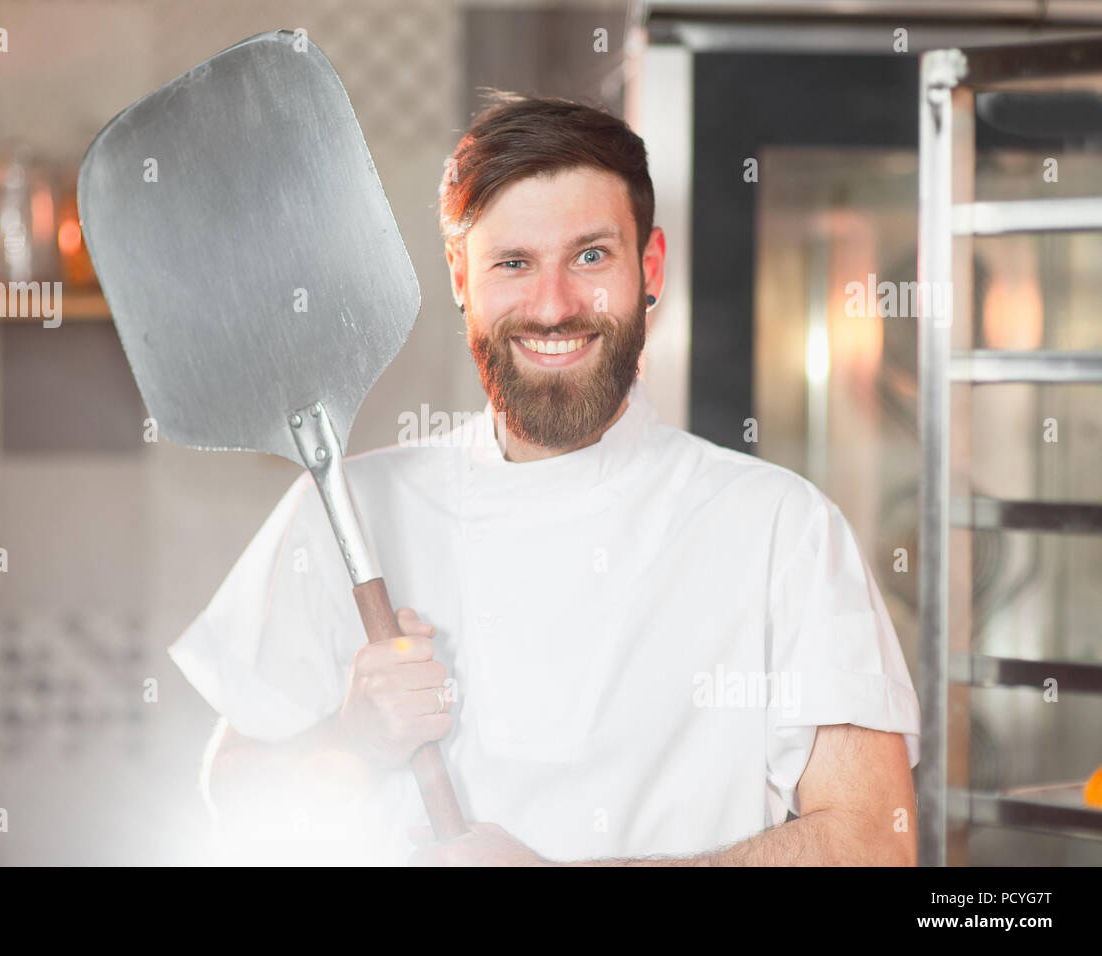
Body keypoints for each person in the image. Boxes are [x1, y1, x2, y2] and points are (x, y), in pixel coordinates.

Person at [169, 93, 921, 866]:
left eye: (591, 255)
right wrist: (354, 738)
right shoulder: (347, 512)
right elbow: (237, 798)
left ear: (649, 266)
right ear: (461, 277)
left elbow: (874, 842)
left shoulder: (780, 528)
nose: (554, 306)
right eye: (513, 263)